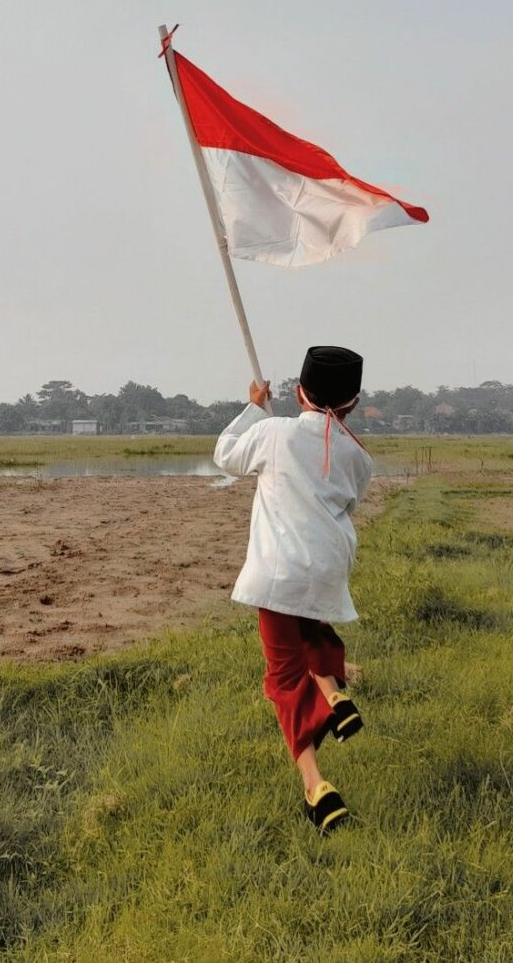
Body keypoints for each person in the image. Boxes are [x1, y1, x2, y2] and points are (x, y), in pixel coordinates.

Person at [214, 345, 373, 834]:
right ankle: (332, 693)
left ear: (298, 391)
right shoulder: (357, 456)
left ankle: (316, 788)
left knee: (283, 680)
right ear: (353, 401)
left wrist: (256, 407)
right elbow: (348, 499)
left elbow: (225, 457)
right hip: (324, 570)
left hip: (278, 575)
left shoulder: (273, 431)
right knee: (315, 639)